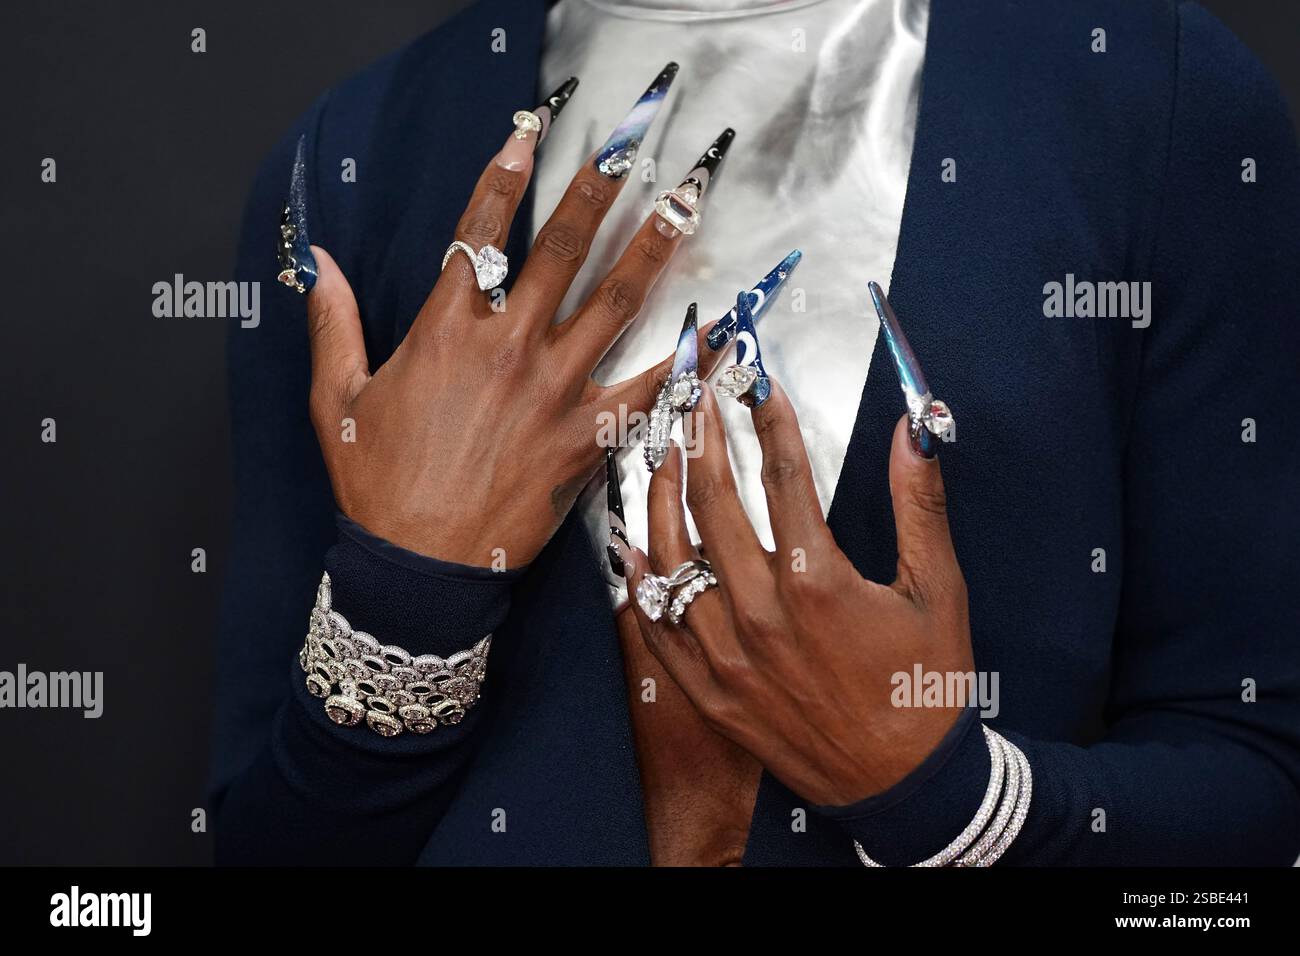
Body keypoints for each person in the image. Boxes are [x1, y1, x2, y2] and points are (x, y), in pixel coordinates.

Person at [210, 0, 1300, 865]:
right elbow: (265, 842)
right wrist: (409, 598)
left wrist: (958, 805)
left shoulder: (1147, 96)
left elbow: (1260, 780)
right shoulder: (356, 154)